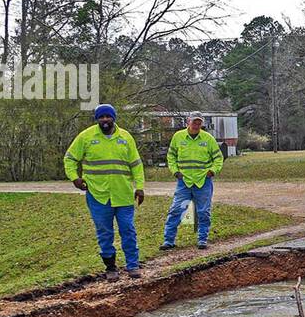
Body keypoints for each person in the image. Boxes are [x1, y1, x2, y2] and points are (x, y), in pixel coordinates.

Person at [63, 104, 146, 280]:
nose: (105, 120)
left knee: (128, 230)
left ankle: (133, 266)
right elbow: (70, 158)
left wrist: (140, 187)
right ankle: (111, 268)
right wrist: (74, 178)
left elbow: (136, 165)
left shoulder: (125, 137)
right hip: (98, 195)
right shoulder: (86, 137)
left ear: (114, 117)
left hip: (123, 194)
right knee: (104, 232)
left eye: (108, 116)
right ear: (97, 119)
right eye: (101, 117)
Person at [161, 112, 224, 250]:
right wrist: (175, 171)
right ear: (188, 122)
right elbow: (171, 156)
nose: (196, 125)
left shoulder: (208, 139)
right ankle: (168, 240)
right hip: (184, 182)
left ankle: (202, 239)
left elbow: (218, 158)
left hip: (203, 182)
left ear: (202, 124)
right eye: (194, 122)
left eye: (199, 122)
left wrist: (212, 171)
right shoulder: (178, 137)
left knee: (203, 212)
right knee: (177, 210)